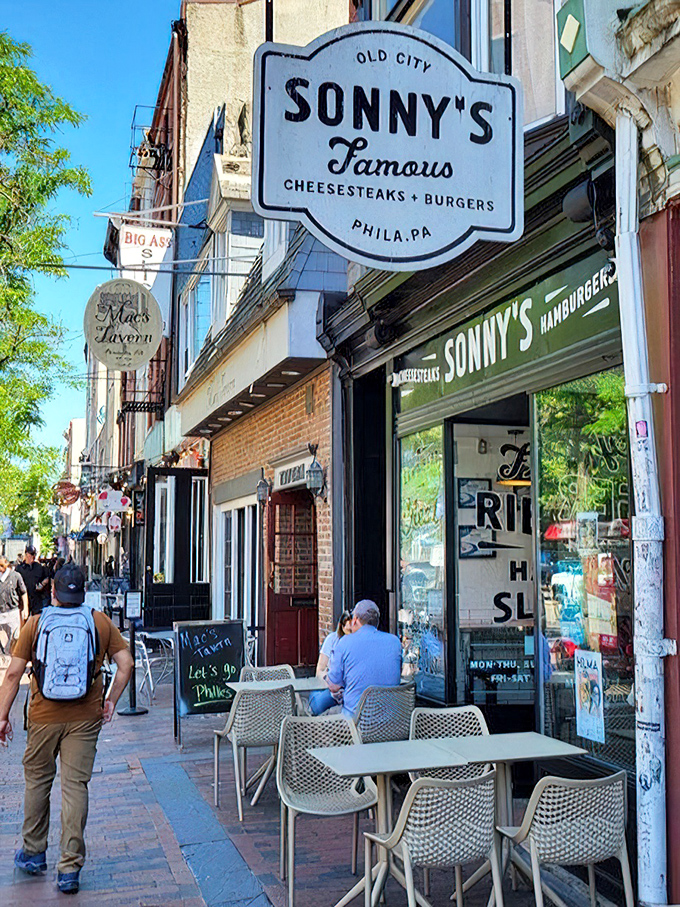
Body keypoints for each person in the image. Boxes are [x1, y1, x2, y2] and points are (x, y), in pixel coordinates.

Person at [0, 563, 133, 895]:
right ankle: (69, 869)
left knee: (37, 782)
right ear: (83, 590)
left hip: (44, 716)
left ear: (54, 591)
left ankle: (33, 852)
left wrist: (2, 716)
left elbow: (14, 675)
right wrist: (111, 700)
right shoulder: (99, 621)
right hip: (85, 717)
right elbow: (126, 663)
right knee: (75, 788)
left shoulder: (35, 623)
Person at [326, 599, 402, 719]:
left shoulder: (344, 642)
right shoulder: (395, 642)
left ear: (355, 620)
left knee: (323, 712)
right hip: (392, 724)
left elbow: (333, 686)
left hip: (357, 724)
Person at [308, 610, 351, 716]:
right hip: (331, 687)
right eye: (348, 630)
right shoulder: (332, 640)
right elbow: (320, 669)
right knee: (316, 705)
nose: (350, 634)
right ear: (341, 627)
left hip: (349, 689)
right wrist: (328, 681)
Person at [0, 556, 28, 656]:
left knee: (15, 637)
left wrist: (25, 608)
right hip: (1, 612)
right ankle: (4, 656)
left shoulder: (16, 576)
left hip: (12, 611)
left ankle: (10, 656)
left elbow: (23, 592)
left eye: (2, 566)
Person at [16, 545, 50, 616]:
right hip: (23, 600)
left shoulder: (39, 567)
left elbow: (47, 578)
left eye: (34, 554)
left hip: (36, 599)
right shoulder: (19, 568)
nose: (32, 556)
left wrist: (42, 584)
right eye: (31, 554)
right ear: (26, 554)